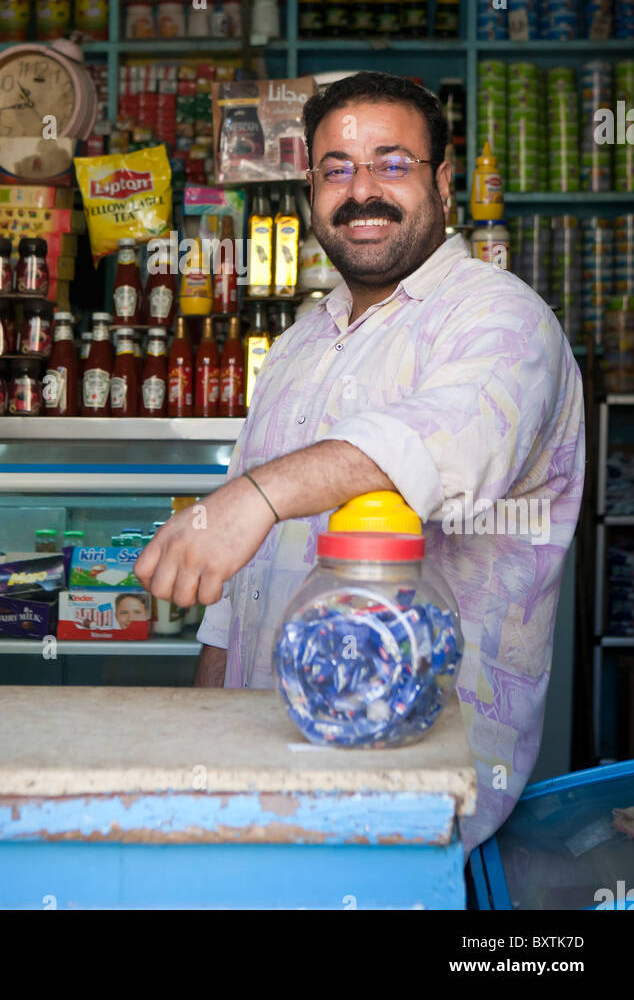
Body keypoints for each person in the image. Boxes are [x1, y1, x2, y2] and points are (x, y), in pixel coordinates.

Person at [135, 71, 585, 856]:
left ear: (442, 182)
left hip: (413, 790)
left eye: (392, 163)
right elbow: (238, 591)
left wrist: (255, 497)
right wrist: (198, 740)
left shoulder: (501, 318)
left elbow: (445, 444)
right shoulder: (304, 340)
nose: (362, 190)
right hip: (261, 785)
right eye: (337, 168)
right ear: (311, 187)